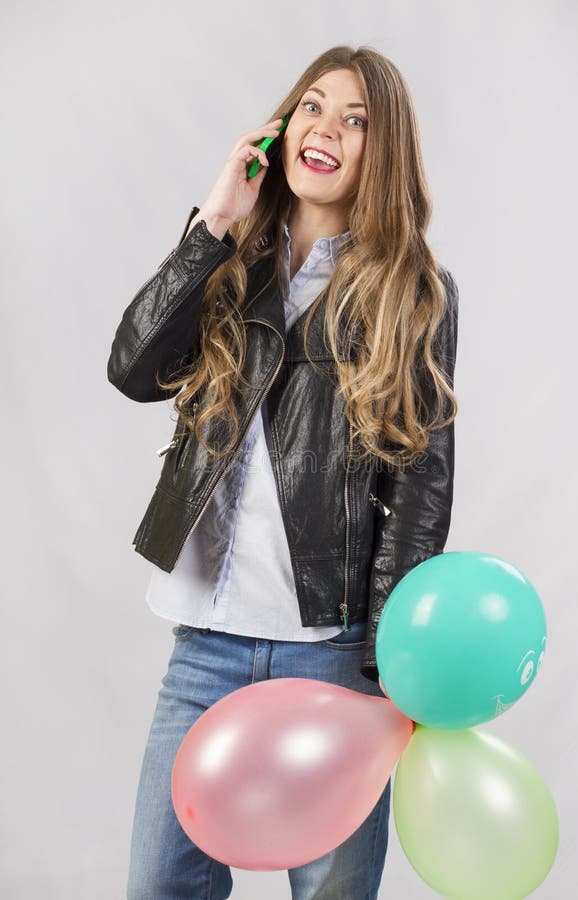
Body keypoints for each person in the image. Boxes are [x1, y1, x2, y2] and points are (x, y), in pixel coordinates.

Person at [108, 44, 459, 900]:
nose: (327, 128)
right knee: (161, 886)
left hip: (334, 656)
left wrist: (389, 665)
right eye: (312, 106)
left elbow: (418, 489)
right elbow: (132, 370)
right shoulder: (227, 262)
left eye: (356, 120)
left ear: (384, 153)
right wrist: (214, 222)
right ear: (281, 127)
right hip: (206, 646)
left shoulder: (412, 292)